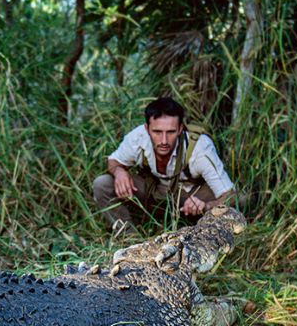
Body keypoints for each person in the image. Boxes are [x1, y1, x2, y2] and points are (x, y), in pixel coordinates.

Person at [93, 97, 236, 235]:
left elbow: (230, 196)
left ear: (180, 129)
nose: (163, 141)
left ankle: (201, 231)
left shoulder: (200, 148)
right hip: (155, 191)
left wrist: (206, 206)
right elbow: (113, 161)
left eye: (170, 132)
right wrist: (119, 171)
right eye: (157, 132)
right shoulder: (137, 138)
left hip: (191, 196)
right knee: (102, 184)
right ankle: (129, 237)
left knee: (238, 201)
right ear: (147, 129)